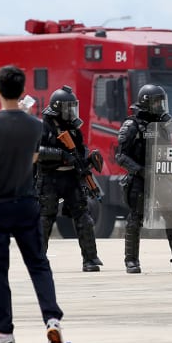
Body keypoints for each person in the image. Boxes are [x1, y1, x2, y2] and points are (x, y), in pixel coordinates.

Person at [0, 65, 66, 343]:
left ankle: (4, 334)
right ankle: (52, 318)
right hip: (27, 204)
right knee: (38, 264)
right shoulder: (35, 125)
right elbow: (32, 159)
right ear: (22, 91)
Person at [116, 84, 172, 274]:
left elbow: (168, 151)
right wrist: (141, 170)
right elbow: (121, 156)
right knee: (136, 219)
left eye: (162, 102)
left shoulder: (163, 125)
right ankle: (131, 261)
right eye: (156, 102)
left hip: (161, 177)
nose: (160, 106)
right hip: (140, 178)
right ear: (146, 103)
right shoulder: (132, 126)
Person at [37, 85, 103, 271]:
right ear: (57, 107)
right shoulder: (45, 126)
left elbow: (81, 150)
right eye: (67, 107)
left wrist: (89, 160)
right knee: (45, 219)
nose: (71, 111)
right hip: (50, 178)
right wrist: (62, 156)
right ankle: (39, 261)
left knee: (84, 217)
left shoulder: (74, 128)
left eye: (73, 107)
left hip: (72, 178)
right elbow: (37, 152)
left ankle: (90, 259)